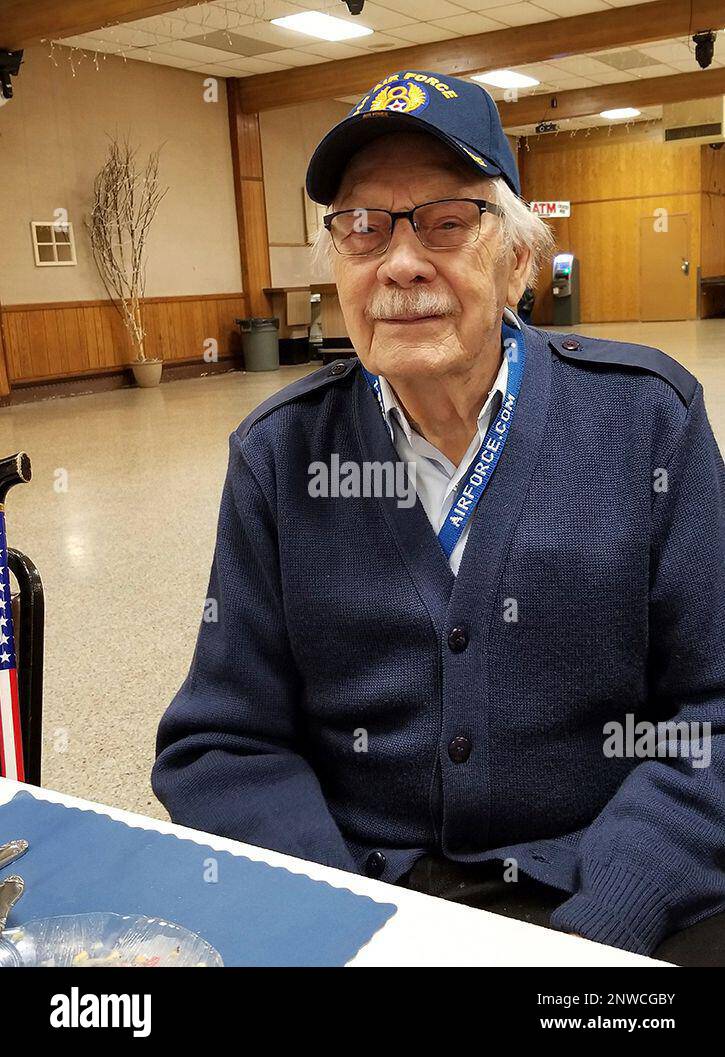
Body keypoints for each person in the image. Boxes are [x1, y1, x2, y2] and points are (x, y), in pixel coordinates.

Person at [153, 70, 724, 959]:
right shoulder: (278, 455)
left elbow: (713, 717)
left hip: (601, 887)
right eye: (362, 227)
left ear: (519, 262)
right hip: (356, 891)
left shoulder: (646, 419)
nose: (400, 261)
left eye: (446, 222)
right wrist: (333, 917)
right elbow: (223, 742)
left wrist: (611, 913)